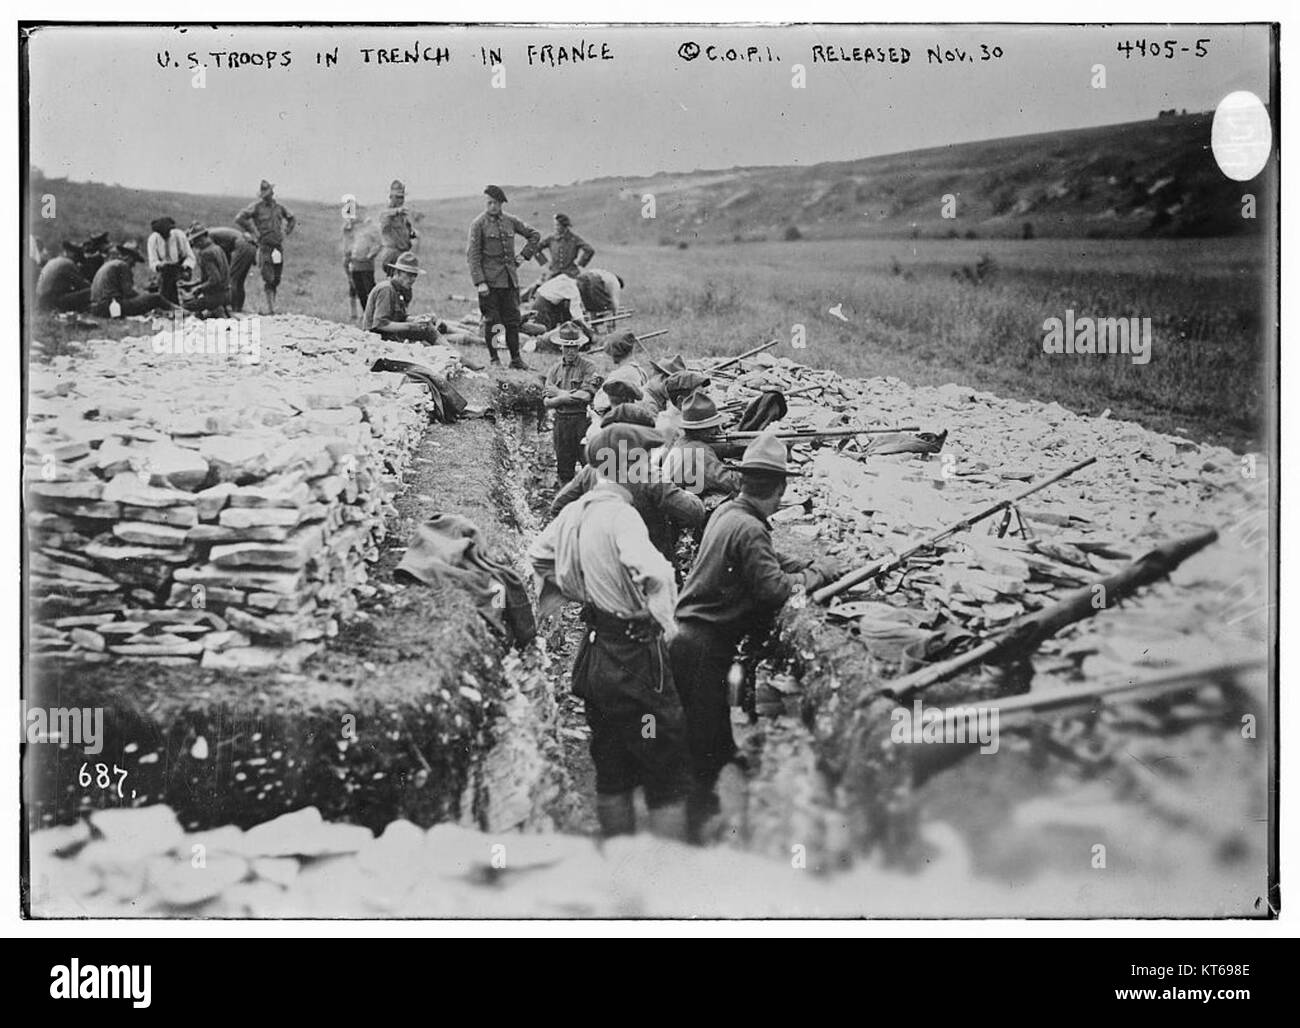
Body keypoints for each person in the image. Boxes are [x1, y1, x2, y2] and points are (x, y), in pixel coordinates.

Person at [671, 431, 843, 841]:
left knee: (709, 732)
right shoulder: (748, 528)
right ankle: (696, 831)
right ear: (780, 490)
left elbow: (768, 558)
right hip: (703, 646)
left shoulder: (730, 513)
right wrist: (818, 575)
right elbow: (775, 589)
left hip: (689, 639)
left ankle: (716, 779)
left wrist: (808, 562)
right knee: (701, 749)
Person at [528, 423, 691, 841]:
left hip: (594, 656)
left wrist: (579, 593)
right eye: (643, 463)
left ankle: (620, 864)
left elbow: (540, 557)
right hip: (635, 661)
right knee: (663, 767)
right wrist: (664, 625)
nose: (648, 471)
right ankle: (662, 878)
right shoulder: (622, 516)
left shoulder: (574, 512)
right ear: (628, 465)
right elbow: (656, 573)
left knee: (611, 768)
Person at [552, 403, 705, 567]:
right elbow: (693, 513)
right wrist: (688, 494)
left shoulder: (591, 471)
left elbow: (558, 508)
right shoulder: (649, 476)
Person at [466, 184, 541, 369]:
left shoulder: (510, 221)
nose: (491, 206)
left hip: (509, 281)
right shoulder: (478, 224)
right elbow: (473, 255)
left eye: (495, 203)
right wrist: (480, 282)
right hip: (489, 283)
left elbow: (534, 235)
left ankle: (516, 359)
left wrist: (524, 255)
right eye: (488, 202)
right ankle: (495, 359)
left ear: (501, 204)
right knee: (493, 321)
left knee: (513, 321)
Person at [544, 327, 601, 485]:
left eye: (574, 347)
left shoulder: (588, 367)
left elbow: (586, 396)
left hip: (582, 421)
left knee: (588, 464)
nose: (570, 351)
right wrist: (568, 397)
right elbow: (547, 401)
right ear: (560, 347)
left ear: (579, 347)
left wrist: (560, 394)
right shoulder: (554, 369)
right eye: (567, 347)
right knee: (564, 468)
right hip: (561, 423)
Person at [235, 179, 296, 315]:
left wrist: (286, 231)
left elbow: (292, 218)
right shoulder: (256, 207)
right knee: (268, 277)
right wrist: (253, 231)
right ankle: (271, 309)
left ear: (273, 193)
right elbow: (240, 218)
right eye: (265, 194)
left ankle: (272, 306)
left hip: (277, 247)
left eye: (269, 193)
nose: (268, 196)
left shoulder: (279, 207)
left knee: (276, 278)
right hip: (265, 247)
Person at [362, 252, 446, 343]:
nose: (413, 279)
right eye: (409, 275)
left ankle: (452, 354)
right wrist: (411, 326)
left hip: (389, 336)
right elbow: (381, 324)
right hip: (376, 338)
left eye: (415, 275)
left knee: (429, 328)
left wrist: (418, 319)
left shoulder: (398, 290)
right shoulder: (386, 289)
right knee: (427, 333)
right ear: (397, 272)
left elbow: (401, 317)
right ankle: (452, 354)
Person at [89, 241, 169, 317]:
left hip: (96, 308)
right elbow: (129, 293)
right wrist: (144, 297)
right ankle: (178, 310)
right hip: (110, 307)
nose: (133, 265)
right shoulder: (122, 266)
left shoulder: (110, 264)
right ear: (128, 257)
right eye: (134, 260)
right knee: (155, 298)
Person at [341, 195, 381, 321]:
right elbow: (347, 243)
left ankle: (374, 315)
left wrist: (371, 254)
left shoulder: (368, 225)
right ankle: (366, 315)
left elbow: (378, 242)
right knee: (359, 290)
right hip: (354, 262)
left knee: (369, 289)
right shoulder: (350, 227)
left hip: (366, 263)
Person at [181, 224, 230, 316]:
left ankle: (177, 328)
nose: (195, 246)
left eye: (194, 242)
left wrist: (198, 289)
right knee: (196, 305)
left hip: (215, 297)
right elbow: (211, 277)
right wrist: (192, 284)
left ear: (199, 240)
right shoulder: (217, 248)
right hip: (226, 294)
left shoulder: (206, 253)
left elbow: (215, 280)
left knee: (182, 307)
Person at [146, 217, 196, 305]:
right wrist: (160, 265)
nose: (165, 235)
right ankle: (167, 315)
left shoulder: (179, 236)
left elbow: (190, 256)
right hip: (164, 271)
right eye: (162, 233)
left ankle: (181, 315)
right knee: (165, 297)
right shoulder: (153, 239)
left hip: (180, 269)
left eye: (167, 232)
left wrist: (185, 267)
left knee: (182, 298)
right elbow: (152, 261)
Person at [207, 227, 258, 313]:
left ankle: (232, 308)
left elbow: (216, 257)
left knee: (231, 280)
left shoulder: (209, 237)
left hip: (243, 246)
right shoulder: (217, 235)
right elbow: (225, 255)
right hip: (250, 245)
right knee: (239, 281)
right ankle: (238, 308)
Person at [529, 269, 594, 336]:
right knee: (544, 334)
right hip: (543, 306)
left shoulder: (567, 279)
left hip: (539, 298)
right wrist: (587, 328)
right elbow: (576, 315)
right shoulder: (574, 291)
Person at [35, 241, 93, 313]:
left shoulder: (54, 260)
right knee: (90, 291)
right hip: (52, 303)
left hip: (42, 301)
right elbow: (82, 285)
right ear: (72, 254)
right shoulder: (68, 263)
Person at [536, 213, 595, 280]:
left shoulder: (574, 239)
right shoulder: (551, 238)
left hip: (571, 274)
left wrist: (581, 264)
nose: (555, 227)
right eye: (555, 225)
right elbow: (535, 249)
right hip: (553, 273)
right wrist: (545, 263)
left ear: (564, 226)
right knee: (537, 288)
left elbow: (590, 250)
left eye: (557, 225)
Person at [377, 179, 418, 274]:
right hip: (392, 254)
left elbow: (410, 233)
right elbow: (382, 216)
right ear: (391, 197)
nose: (401, 200)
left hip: (403, 253)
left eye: (402, 197)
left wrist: (412, 234)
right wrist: (397, 211)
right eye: (398, 197)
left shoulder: (403, 216)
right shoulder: (388, 213)